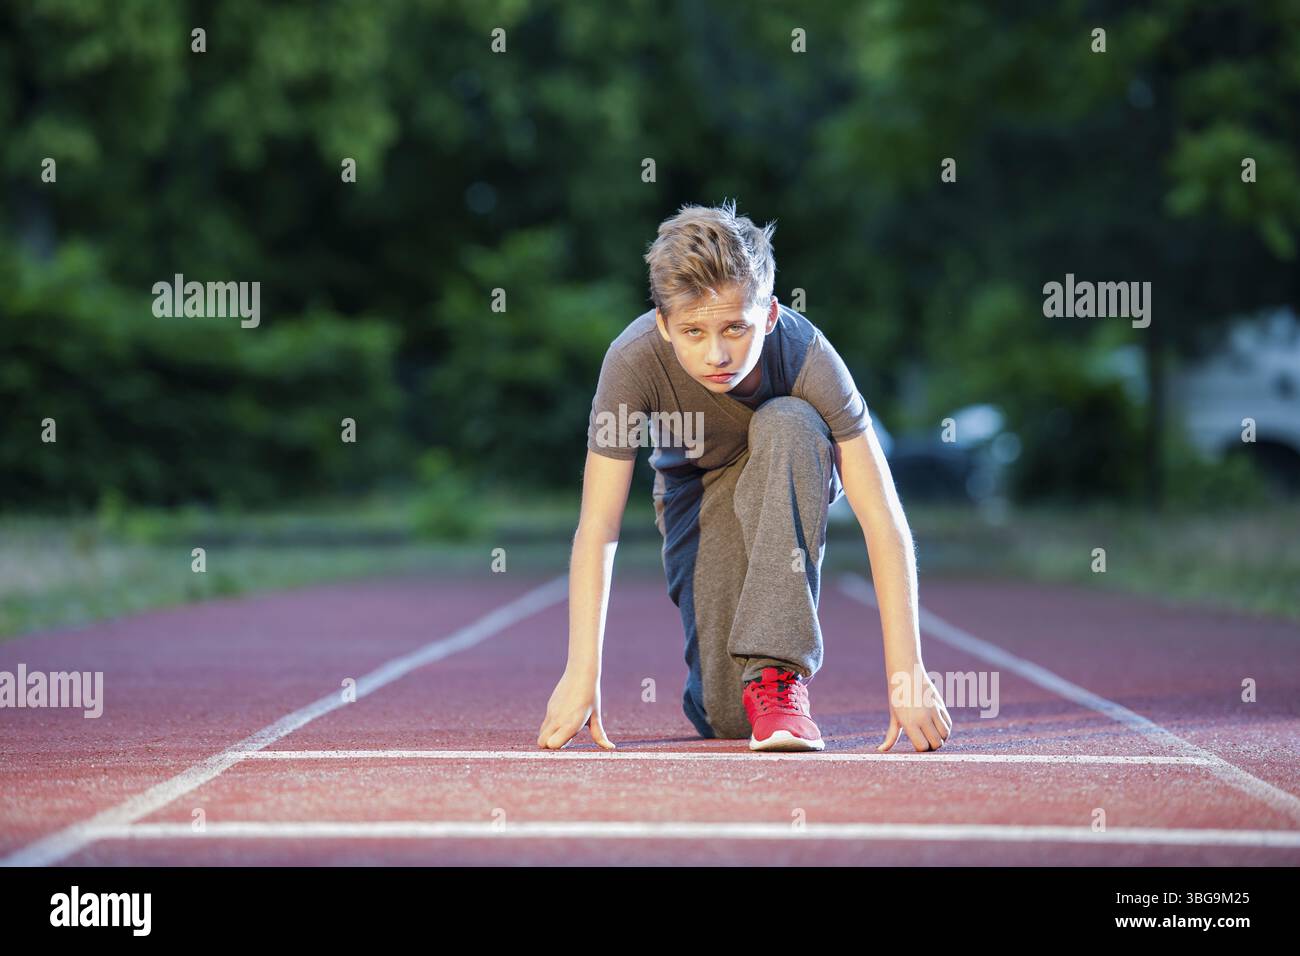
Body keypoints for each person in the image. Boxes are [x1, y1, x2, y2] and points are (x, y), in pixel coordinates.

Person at [538, 199, 952, 753]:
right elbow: (598, 527)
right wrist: (580, 671)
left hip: (783, 472)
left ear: (771, 314)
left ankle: (779, 678)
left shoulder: (808, 355)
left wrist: (908, 672)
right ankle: (730, 687)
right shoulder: (632, 361)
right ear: (663, 325)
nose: (717, 354)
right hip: (695, 495)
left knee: (790, 421)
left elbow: (883, 517)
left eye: (736, 327)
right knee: (729, 719)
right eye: (692, 332)